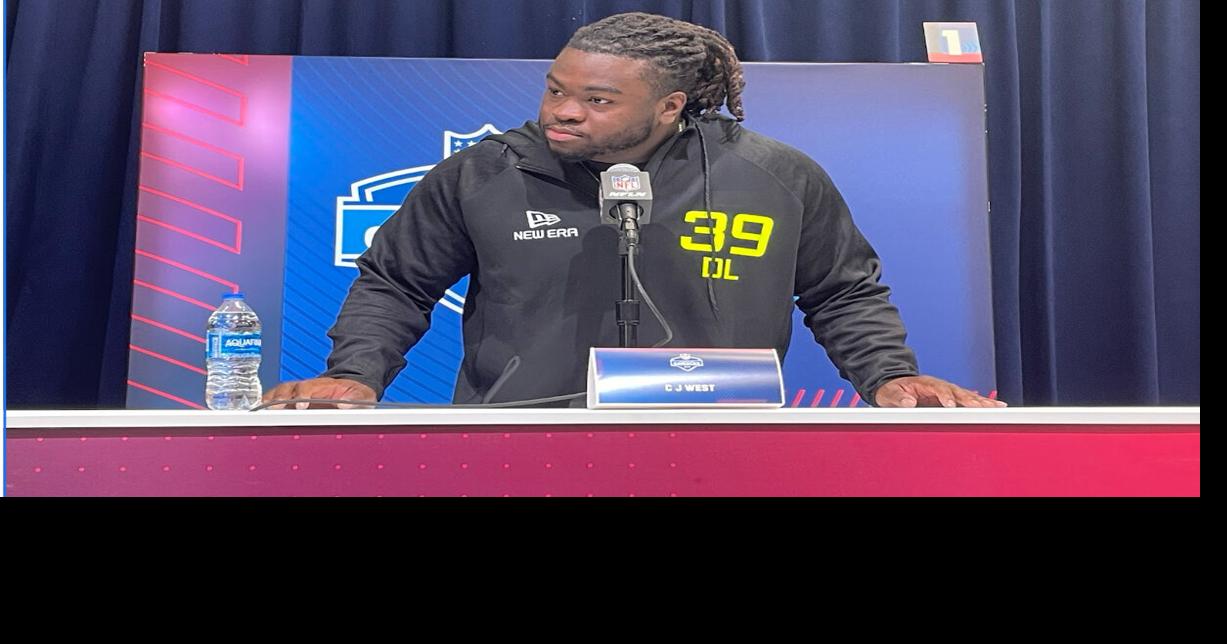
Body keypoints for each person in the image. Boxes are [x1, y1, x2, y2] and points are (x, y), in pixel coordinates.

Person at [263, 12, 1006, 409]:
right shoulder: (483, 173)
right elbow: (395, 283)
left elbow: (842, 292)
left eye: (597, 100)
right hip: (520, 444)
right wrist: (354, 374)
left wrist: (888, 377)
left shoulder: (773, 176)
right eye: (556, 89)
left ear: (670, 106)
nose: (563, 112)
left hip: (720, 445)